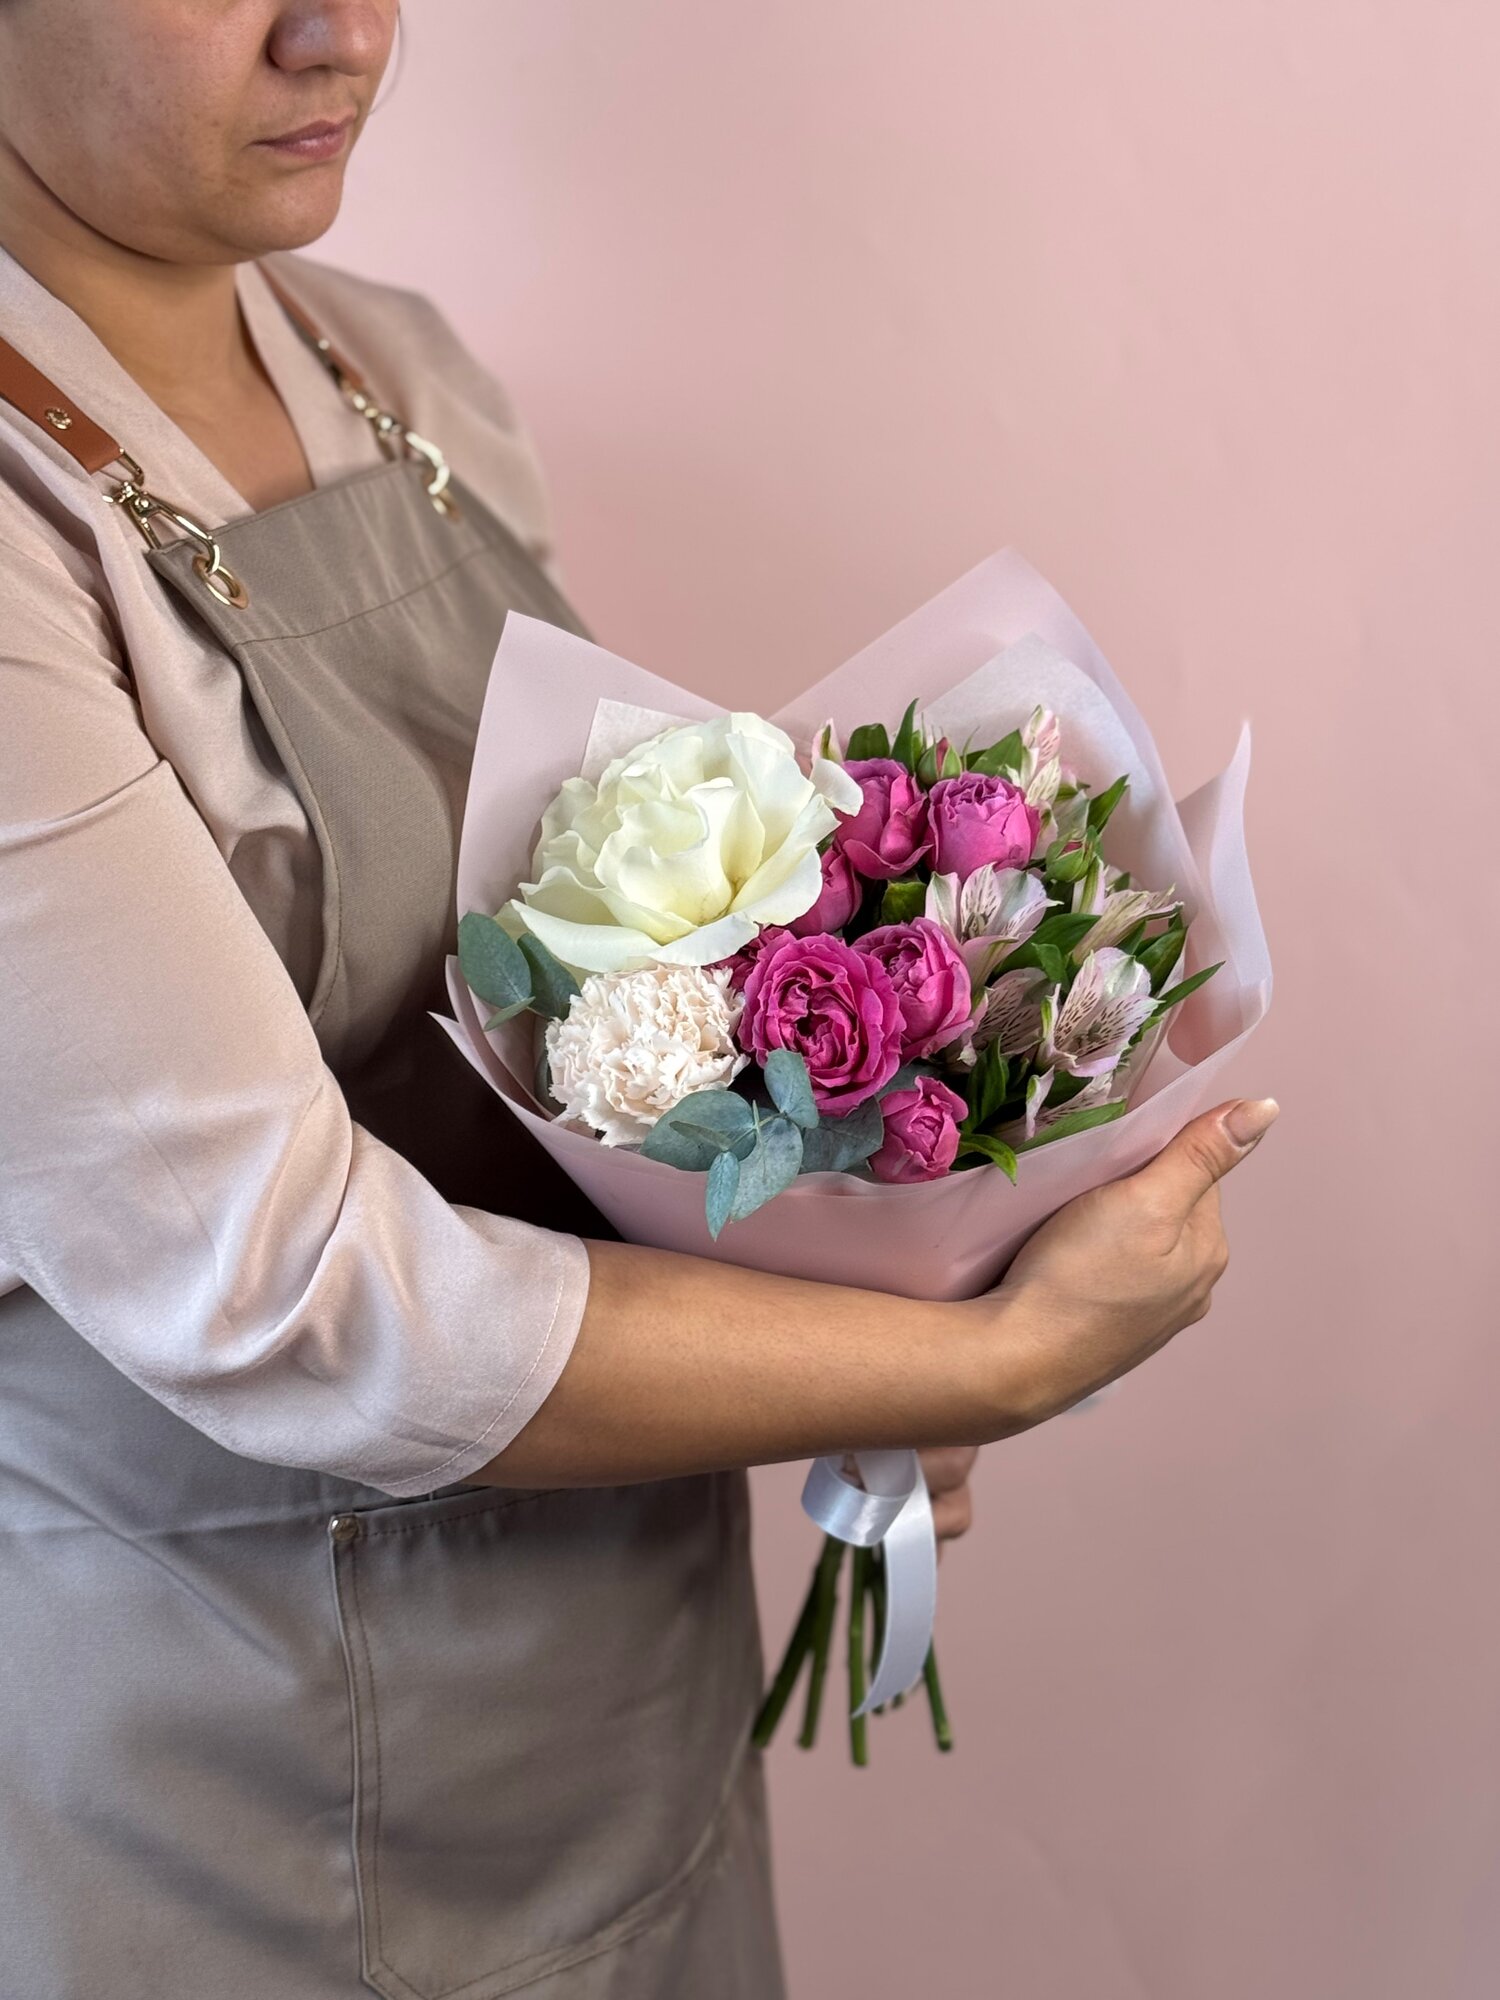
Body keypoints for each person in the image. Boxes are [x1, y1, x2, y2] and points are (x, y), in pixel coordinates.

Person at [0, 4, 1278, 1995]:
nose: (342, 31)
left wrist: (885, 1241)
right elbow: (283, 1288)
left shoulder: (396, 370)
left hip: (616, 1678)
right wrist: (966, 1363)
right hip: (241, 1777)